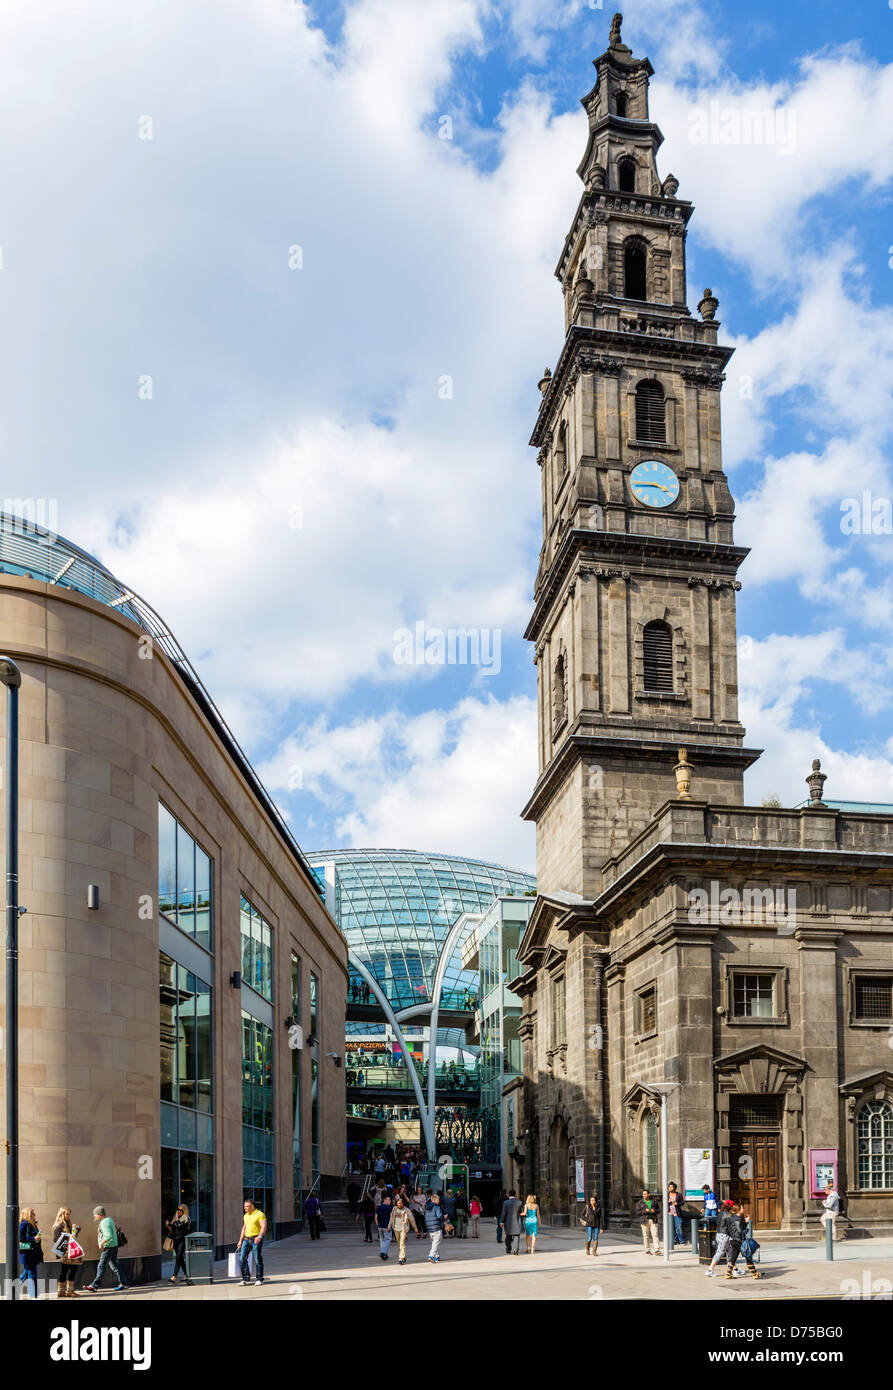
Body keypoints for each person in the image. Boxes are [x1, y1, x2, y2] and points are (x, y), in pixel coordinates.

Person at [84, 1206, 126, 1292]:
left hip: (108, 1247)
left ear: (99, 1214)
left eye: (95, 1214)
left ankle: (94, 1285)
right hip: (114, 1246)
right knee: (115, 1266)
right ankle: (124, 1283)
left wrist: (101, 1244)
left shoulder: (104, 1222)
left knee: (101, 1266)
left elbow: (108, 1235)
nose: (94, 1216)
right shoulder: (109, 1219)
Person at [724, 1203, 762, 1281]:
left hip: (733, 1240)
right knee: (748, 1256)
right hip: (740, 1241)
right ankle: (755, 1274)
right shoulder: (738, 1218)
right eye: (742, 1208)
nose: (743, 1209)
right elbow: (741, 1231)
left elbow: (730, 1229)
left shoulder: (731, 1217)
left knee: (733, 1258)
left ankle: (728, 1274)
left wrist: (746, 1222)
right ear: (739, 1210)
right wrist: (746, 1226)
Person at [52, 1207, 82, 1299]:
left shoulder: (69, 1224)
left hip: (71, 1251)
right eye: (67, 1214)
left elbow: (73, 1236)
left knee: (73, 1269)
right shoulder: (59, 1225)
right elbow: (55, 1239)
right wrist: (67, 1237)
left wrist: (77, 1229)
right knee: (65, 1271)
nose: (68, 1216)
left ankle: (68, 1291)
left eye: (69, 1214)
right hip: (64, 1252)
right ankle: (62, 1291)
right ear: (62, 1215)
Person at [236, 1199, 267, 1287]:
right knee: (242, 1258)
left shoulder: (260, 1214)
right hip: (246, 1239)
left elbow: (264, 1226)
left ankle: (259, 1279)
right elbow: (244, 1228)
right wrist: (240, 1240)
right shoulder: (246, 1215)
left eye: (246, 1206)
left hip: (256, 1239)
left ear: (252, 1206)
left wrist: (259, 1237)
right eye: (244, 1206)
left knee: (257, 1259)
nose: (244, 1208)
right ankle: (245, 1278)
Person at [705, 1200, 735, 1278]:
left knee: (730, 1252)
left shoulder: (719, 1214)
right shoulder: (728, 1215)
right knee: (720, 1252)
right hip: (725, 1235)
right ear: (731, 1207)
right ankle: (709, 1270)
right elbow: (730, 1227)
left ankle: (733, 1269)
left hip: (718, 1234)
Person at [18, 1208, 43, 1299]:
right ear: (27, 1214)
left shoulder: (32, 1224)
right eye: (32, 1213)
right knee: (32, 1274)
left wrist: (37, 1238)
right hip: (27, 1254)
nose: (34, 1214)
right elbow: (21, 1238)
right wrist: (33, 1239)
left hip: (33, 1253)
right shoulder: (24, 1224)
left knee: (27, 1273)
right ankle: (34, 1296)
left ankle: (13, 1288)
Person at [165, 1204, 192, 1284]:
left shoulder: (186, 1219)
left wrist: (176, 1219)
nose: (178, 1211)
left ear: (184, 1211)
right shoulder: (176, 1218)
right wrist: (167, 1226)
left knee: (178, 1257)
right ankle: (187, 1275)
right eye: (178, 1209)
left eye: (181, 1210)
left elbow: (179, 1226)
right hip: (176, 1241)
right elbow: (172, 1230)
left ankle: (174, 1276)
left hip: (182, 1240)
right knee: (180, 1259)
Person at [388, 1196, 417, 1265]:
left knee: (402, 1243)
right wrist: (389, 1226)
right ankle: (403, 1256)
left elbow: (412, 1219)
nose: (399, 1205)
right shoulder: (394, 1209)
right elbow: (391, 1218)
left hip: (403, 1229)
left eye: (400, 1203)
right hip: (396, 1228)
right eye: (398, 1203)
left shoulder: (406, 1210)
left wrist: (415, 1228)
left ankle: (401, 1258)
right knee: (399, 1244)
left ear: (403, 1204)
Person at [424, 1190, 451, 1263]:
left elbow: (425, 1218)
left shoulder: (427, 1208)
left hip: (429, 1228)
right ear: (435, 1200)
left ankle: (436, 1256)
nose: (439, 1201)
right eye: (438, 1200)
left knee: (434, 1242)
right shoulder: (436, 1207)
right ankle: (431, 1255)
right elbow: (439, 1216)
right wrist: (444, 1217)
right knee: (437, 1241)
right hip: (436, 1227)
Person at [634, 1189, 661, 1256]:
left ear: (649, 1194)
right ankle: (647, 1250)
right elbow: (637, 1213)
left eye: (645, 1194)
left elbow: (659, 1210)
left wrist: (654, 1210)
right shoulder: (640, 1203)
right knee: (646, 1236)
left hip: (653, 1220)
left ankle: (656, 1250)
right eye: (643, 1194)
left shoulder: (654, 1201)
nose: (644, 1195)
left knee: (655, 1235)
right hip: (644, 1221)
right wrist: (645, 1211)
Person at [500, 1190, 523, 1255]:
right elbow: (521, 1213)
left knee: (508, 1236)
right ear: (515, 1195)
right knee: (516, 1236)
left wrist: (502, 1221)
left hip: (508, 1221)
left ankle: (508, 1249)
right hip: (516, 1221)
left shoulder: (505, 1202)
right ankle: (515, 1250)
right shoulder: (519, 1202)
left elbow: (504, 1213)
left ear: (508, 1195)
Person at [376, 1192, 394, 1259]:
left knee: (382, 1240)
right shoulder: (389, 1208)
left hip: (380, 1227)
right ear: (385, 1200)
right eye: (389, 1200)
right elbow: (392, 1216)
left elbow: (376, 1217)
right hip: (387, 1227)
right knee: (387, 1239)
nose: (390, 1201)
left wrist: (378, 1225)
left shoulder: (379, 1207)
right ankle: (383, 1252)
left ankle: (384, 1254)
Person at [667, 1183, 685, 1248]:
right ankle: (674, 1240)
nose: (670, 1188)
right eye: (669, 1187)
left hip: (677, 1213)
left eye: (671, 1187)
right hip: (669, 1214)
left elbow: (682, 1202)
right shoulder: (667, 1194)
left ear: (674, 1187)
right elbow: (663, 1203)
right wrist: (667, 1202)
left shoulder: (679, 1194)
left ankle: (681, 1240)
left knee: (679, 1227)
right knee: (671, 1228)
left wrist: (677, 1203)